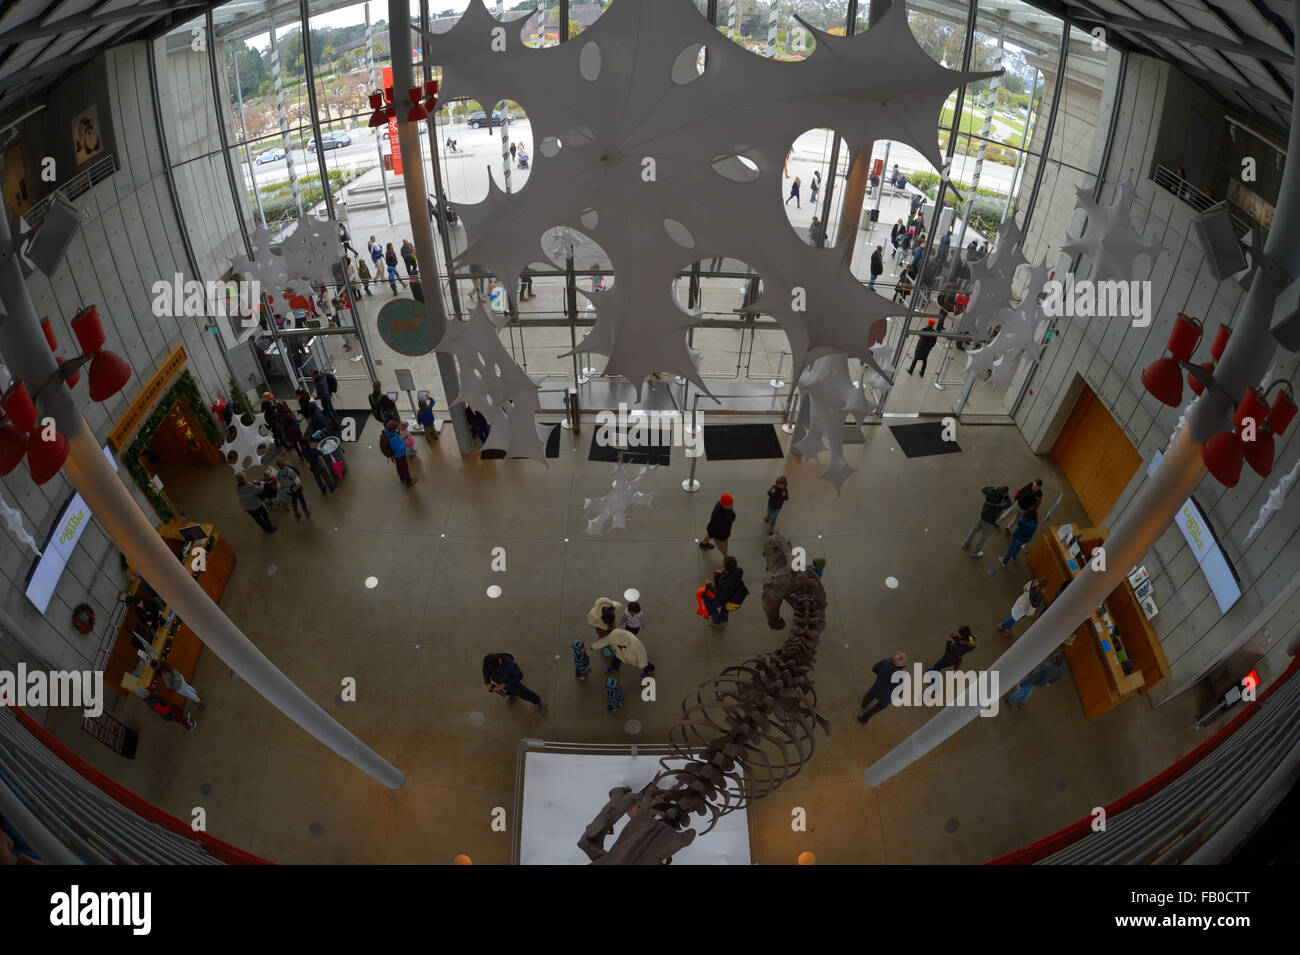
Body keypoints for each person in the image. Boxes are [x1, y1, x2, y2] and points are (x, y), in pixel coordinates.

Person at [960, 484, 1012, 558]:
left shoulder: (990, 493)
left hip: (982, 516)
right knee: (984, 537)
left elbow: (983, 488)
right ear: (1003, 494)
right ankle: (974, 552)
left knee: (974, 529)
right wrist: (1007, 496)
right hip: (990, 522)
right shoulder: (1002, 503)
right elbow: (1009, 503)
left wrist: (994, 488)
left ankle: (965, 543)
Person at [858, 652, 907, 724]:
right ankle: (864, 718)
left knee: (870, 695)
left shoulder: (886, 662)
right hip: (885, 697)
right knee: (877, 708)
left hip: (877, 686)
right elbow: (898, 692)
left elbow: (874, 669)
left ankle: (864, 704)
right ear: (901, 665)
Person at [590, 626, 654, 678]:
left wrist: (642, 663)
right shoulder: (613, 636)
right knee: (616, 660)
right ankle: (614, 667)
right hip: (620, 653)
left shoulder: (635, 642)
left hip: (633, 657)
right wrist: (594, 646)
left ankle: (650, 668)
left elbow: (641, 654)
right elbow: (604, 641)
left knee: (644, 664)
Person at [700, 556, 746, 628]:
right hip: (733, 596)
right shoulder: (739, 570)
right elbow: (731, 575)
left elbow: (721, 597)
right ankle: (724, 619)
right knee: (725, 608)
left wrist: (709, 585)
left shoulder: (726, 583)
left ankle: (717, 621)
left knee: (708, 602)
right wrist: (723, 573)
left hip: (725, 597)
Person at [382, 418, 416, 487]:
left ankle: (402, 478)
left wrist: (401, 439)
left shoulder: (387, 433)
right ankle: (408, 481)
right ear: (394, 428)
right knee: (405, 467)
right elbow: (399, 448)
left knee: (399, 466)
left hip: (394, 455)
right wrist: (405, 442)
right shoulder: (393, 438)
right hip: (400, 455)